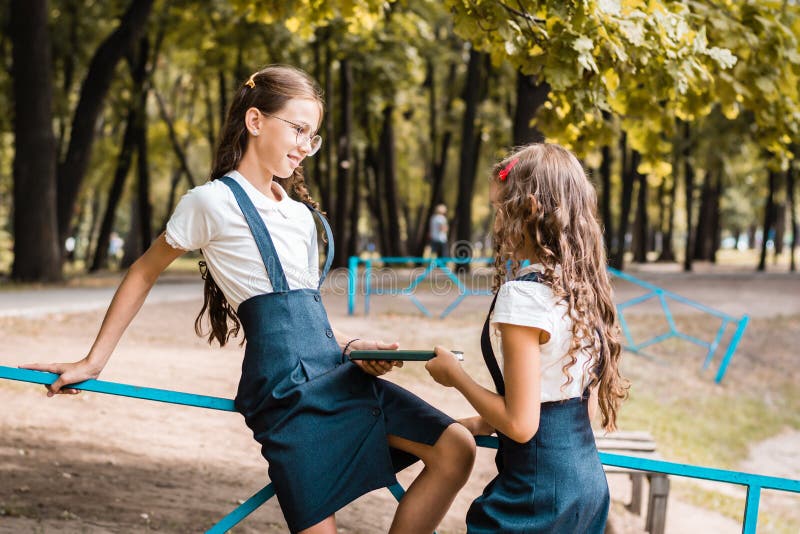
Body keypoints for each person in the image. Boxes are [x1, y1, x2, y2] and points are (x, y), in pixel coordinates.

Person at [22, 65, 475, 534]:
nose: (305, 145)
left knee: (455, 447)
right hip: (285, 394)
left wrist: (353, 347)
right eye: (298, 129)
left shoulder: (300, 217)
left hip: (339, 377)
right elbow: (141, 272)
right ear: (255, 121)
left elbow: (303, 317)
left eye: (313, 136)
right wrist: (94, 362)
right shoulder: (208, 202)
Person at [425, 143, 629, 533]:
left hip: (537, 494)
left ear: (531, 209)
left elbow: (521, 425)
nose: (496, 225)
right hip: (585, 485)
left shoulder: (524, 295)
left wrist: (456, 378)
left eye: (500, 210)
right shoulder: (581, 290)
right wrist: (487, 421)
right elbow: (565, 400)